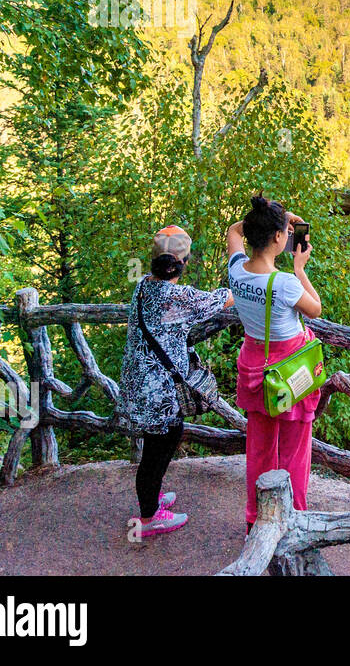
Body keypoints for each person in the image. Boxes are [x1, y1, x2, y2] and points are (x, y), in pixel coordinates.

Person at [117, 226, 232, 538]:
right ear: (184, 262)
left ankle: (151, 499)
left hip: (138, 383)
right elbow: (223, 300)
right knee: (159, 448)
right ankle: (150, 517)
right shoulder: (177, 295)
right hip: (159, 393)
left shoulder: (142, 286)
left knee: (157, 445)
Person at [226, 194, 323, 529]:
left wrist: (268, 217)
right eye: (284, 231)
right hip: (290, 373)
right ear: (281, 238)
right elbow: (316, 308)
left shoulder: (236, 271)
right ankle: (292, 517)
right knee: (295, 449)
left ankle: (256, 517)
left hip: (254, 364)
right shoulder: (284, 283)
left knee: (260, 449)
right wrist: (299, 269)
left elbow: (233, 231)